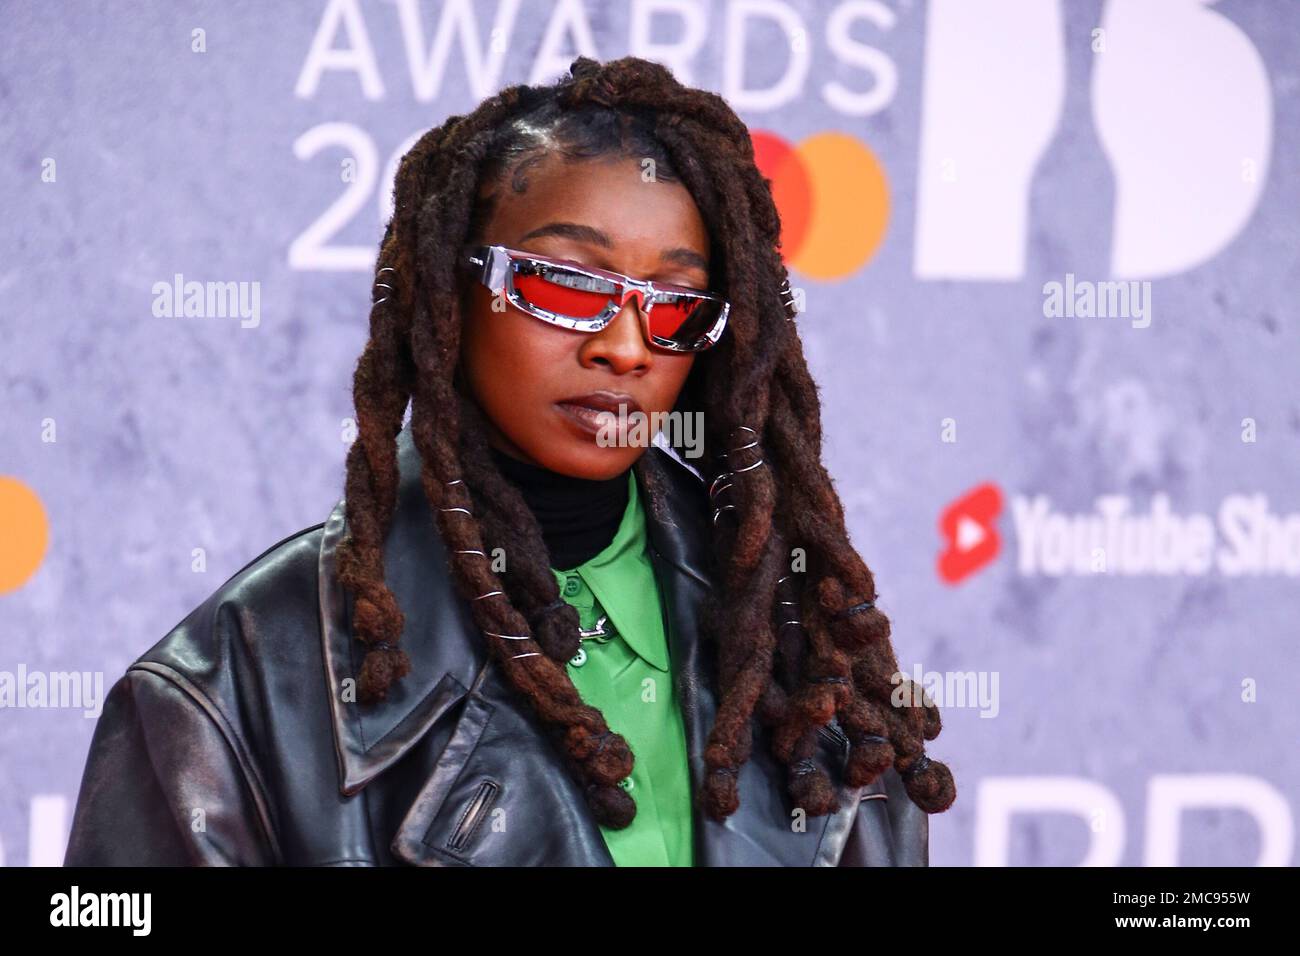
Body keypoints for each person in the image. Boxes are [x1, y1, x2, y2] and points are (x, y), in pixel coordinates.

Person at [63, 55, 955, 867]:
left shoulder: (809, 654)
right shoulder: (227, 693)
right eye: (566, 282)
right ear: (451, 293)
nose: (625, 346)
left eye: (676, 306)